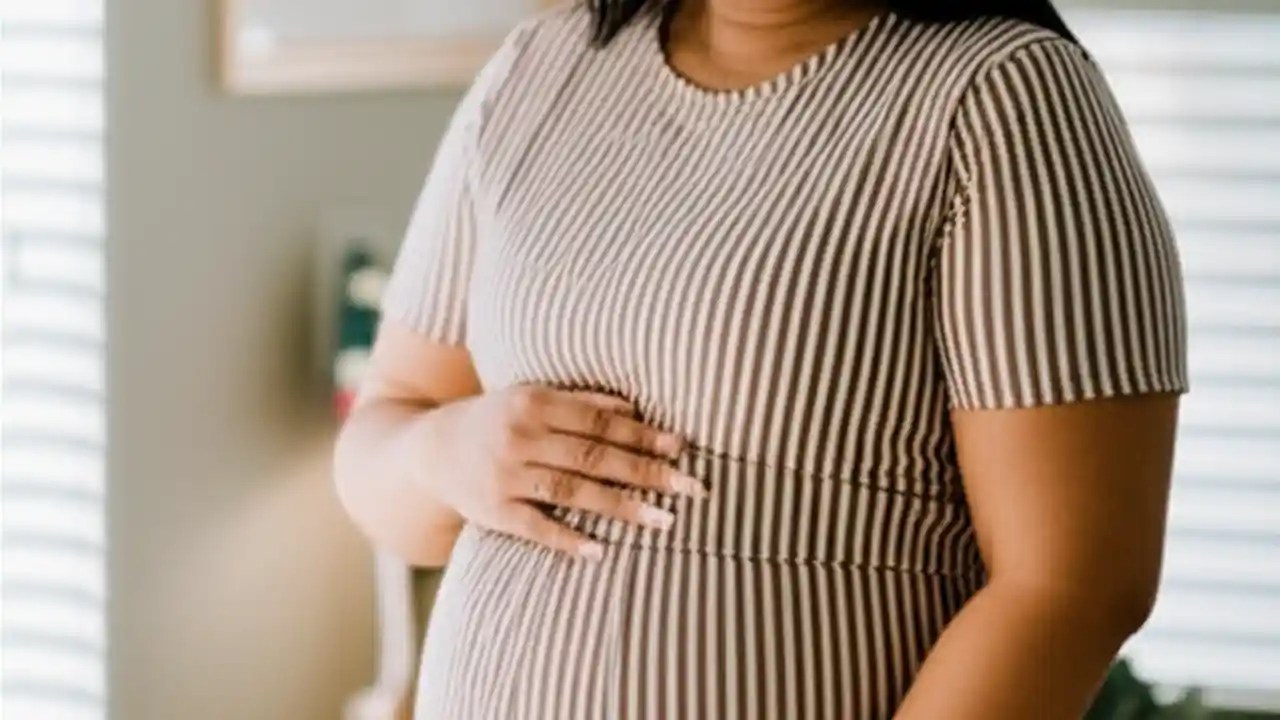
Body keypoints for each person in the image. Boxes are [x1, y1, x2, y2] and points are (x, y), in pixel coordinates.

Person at [334, 0, 1188, 717]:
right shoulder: (540, 69)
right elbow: (384, 457)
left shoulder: (1004, 98)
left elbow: (1072, 586)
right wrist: (443, 451)